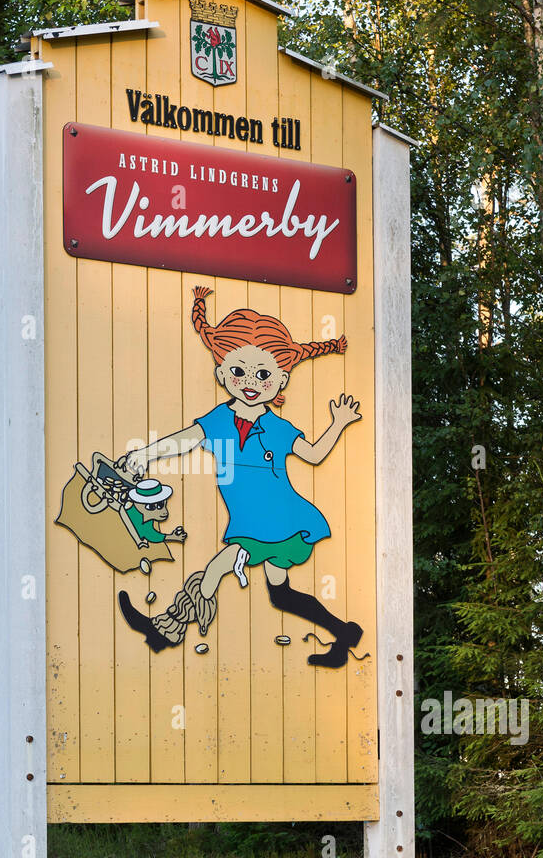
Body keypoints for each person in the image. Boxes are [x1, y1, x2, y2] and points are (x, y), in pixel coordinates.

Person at [116, 286, 363, 668]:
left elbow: (312, 454)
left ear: (280, 382)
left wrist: (338, 423)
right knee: (280, 594)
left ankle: (165, 630)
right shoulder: (219, 421)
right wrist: (145, 454)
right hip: (264, 523)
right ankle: (344, 634)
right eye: (238, 370)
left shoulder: (277, 427)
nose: (250, 381)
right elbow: (183, 441)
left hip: (275, 521)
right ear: (222, 373)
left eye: (263, 374)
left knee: (215, 570)